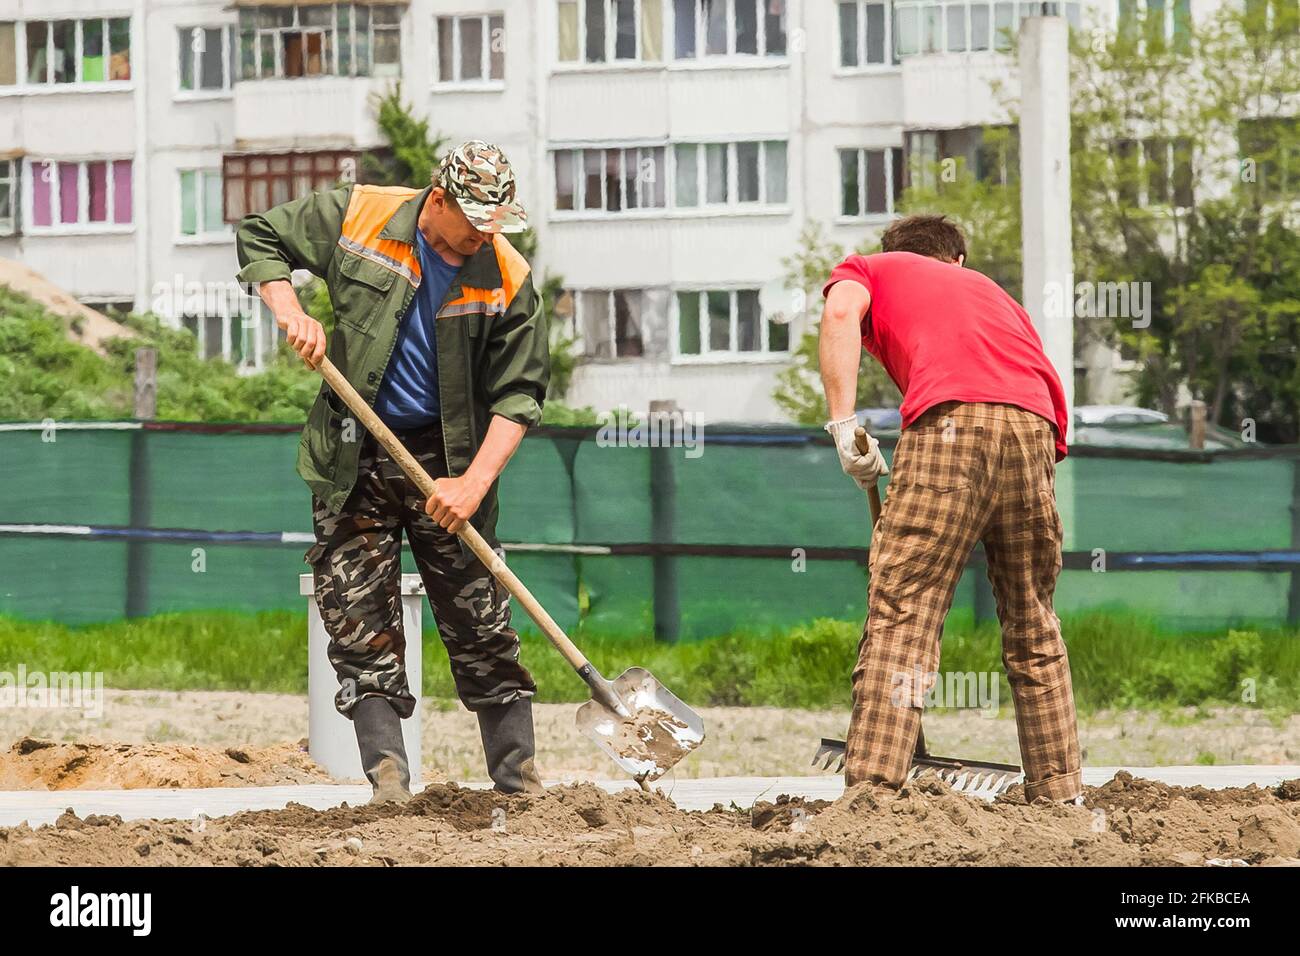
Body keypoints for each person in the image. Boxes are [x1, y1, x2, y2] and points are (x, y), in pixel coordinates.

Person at [236, 141, 549, 803]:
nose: (483, 238)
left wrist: (473, 485)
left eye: (496, 225)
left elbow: (520, 394)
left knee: (481, 622)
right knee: (358, 618)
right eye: (474, 224)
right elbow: (261, 235)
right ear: (438, 200)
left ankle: (518, 786)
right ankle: (390, 787)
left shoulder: (508, 276)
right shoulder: (361, 217)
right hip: (353, 454)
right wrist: (291, 312)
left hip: (451, 465)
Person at [818, 214, 1082, 803]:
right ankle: (1061, 793)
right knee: (1033, 621)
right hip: (1035, 429)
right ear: (957, 259)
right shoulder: (993, 292)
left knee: (904, 612)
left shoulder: (871, 269)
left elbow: (839, 314)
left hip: (950, 427)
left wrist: (844, 426)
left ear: (896, 256)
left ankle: (874, 794)